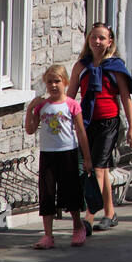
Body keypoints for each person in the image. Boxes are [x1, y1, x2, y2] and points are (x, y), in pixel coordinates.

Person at [67, 23, 132, 231]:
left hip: (109, 122)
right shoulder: (81, 67)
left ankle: (88, 218)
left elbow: (126, 98)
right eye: (93, 38)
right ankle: (110, 212)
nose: (97, 42)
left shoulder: (115, 66)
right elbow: (70, 95)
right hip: (86, 122)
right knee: (100, 169)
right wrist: (60, 115)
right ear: (89, 40)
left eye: (102, 38)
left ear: (110, 42)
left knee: (96, 168)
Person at [25, 64, 94, 248]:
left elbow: (80, 132)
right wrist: (30, 110)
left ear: (65, 82)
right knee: (47, 194)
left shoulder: (72, 105)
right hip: (48, 155)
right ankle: (48, 236)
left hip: (68, 153)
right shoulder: (42, 106)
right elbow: (30, 130)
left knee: (71, 192)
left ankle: (78, 227)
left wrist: (87, 159)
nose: (53, 85)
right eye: (50, 82)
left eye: (57, 81)